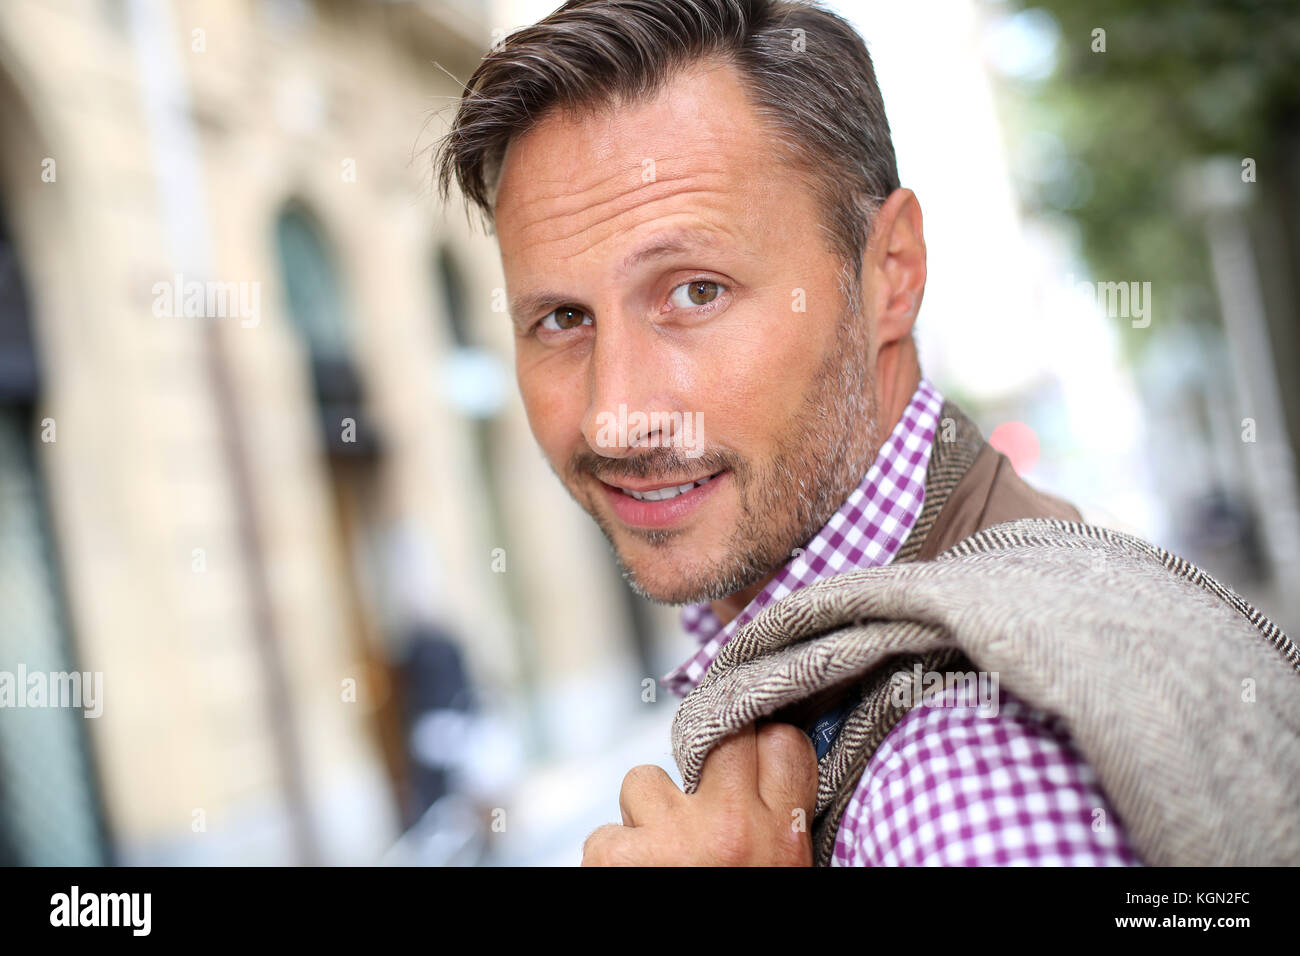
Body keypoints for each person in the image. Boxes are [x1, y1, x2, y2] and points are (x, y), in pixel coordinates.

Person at [434, 0, 1300, 866]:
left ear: (891, 272)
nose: (612, 415)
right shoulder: (930, 610)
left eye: (696, 292)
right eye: (560, 319)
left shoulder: (963, 784)